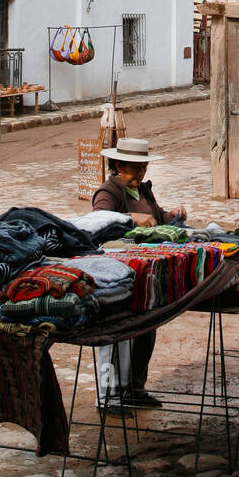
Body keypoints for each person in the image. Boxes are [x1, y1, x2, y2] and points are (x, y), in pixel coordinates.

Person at [91, 137, 187, 413]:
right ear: (118, 165)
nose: (140, 173)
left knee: (145, 327)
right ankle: (107, 396)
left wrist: (171, 215)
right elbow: (98, 221)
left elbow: (156, 216)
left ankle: (134, 387)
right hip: (116, 271)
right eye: (134, 168)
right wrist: (131, 218)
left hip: (143, 270)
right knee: (116, 331)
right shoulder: (109, 192)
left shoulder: (142, 190)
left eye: (142, 167)